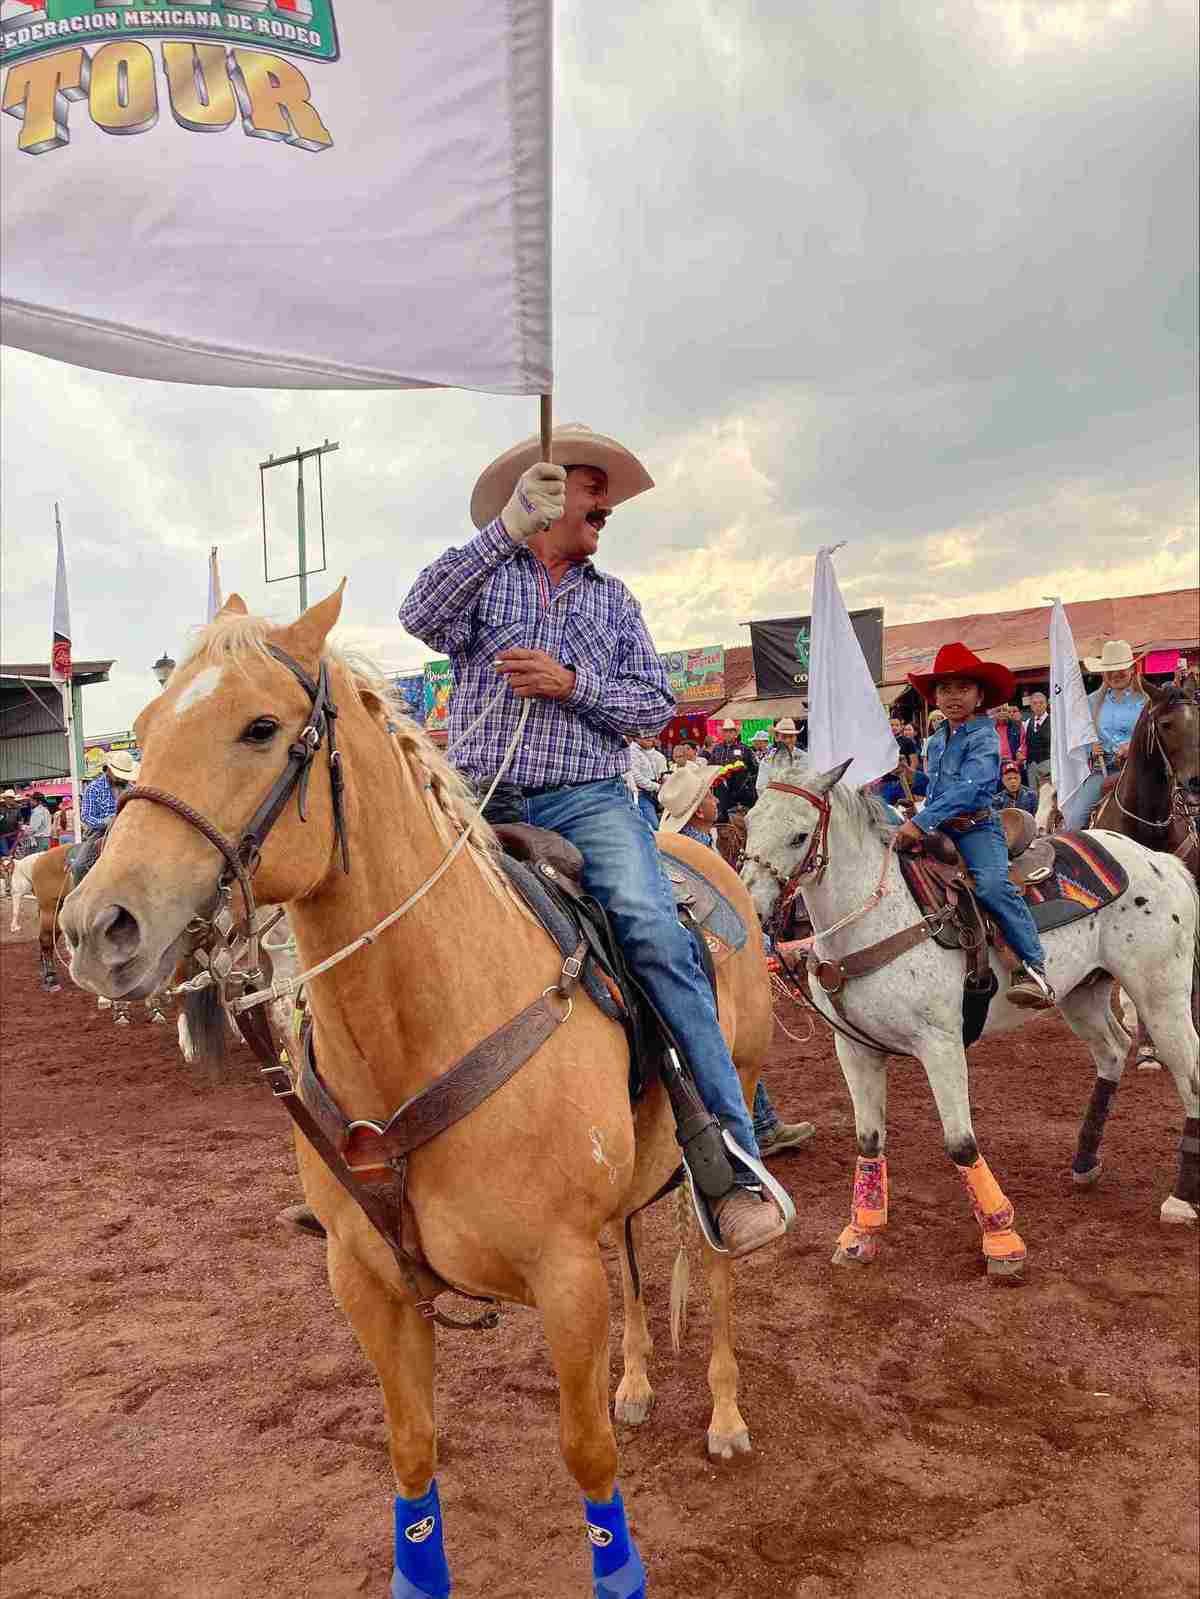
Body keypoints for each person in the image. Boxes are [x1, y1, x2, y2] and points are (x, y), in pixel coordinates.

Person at [398, 423, 788, 1257]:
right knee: (398, 922)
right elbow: (416, 613)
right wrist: (502, 531)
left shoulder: (614, 601)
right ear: (542, 494)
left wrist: (570, 685)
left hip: (587, 798)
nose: (605, 506)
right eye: (589, 490)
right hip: (481, 791)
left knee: (651, 929)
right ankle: (374, 1155)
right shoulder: (486, 579)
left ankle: (728, 1161)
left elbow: (653, 704)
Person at [658, 764, 816, 1158]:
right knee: (739, 1037)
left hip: (710, 952)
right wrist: (768, 948)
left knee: (737, 1042)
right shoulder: (698, 855)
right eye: (710, 795)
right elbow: (731, 919)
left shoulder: (696, 844)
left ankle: (760, 1123)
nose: (717, 799)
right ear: (698, 810)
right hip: (719, 958)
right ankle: (753, 1130)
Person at [897, 642, 1054, 1008]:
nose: (953, 697)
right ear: (935, 696)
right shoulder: (935, 740)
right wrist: (910, 777)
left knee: (993, 886)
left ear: (980, 695)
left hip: (977, 828)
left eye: (963, 688)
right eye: (945, 689)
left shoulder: (984, 735)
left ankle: (1034, 968)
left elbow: (972, 788)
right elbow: (938, 788)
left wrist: (920, 822)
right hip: (939, 826)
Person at [1061, 641, 1148, 832]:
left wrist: (1131, 746)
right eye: (1110, 670)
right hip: (1103, 770)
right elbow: (1081, 735)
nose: (1115, 674)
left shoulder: (1146, 701)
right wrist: (1090, 748)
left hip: (1139, 771)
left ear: (1132, 669)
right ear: (1103, 673)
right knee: (1074, 820)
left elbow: (1155, 735)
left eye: (1121, 669)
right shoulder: (1091, 702)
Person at [80, 750, 139, 836]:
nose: (120, 778)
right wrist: (107, 822)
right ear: (108, 770)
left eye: (123, 776)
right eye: (118, 775)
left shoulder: (132, 790)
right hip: (101, 834)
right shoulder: (94, 788)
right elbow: (86, 817)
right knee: (91, 848)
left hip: (128, 831)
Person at [628, 731, 667, 830]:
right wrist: (658, 787)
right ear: (635, 737)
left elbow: (664, 774)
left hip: (659, 795)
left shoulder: (658, 755)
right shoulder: (631, 751)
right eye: (644, 734)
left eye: (651, 733)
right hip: (641, 794)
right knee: (654, 828)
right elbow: (636, 776)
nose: (649, 736)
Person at [754, 717, 801, 794]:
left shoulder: (805, 758)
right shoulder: (767, 762)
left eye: (791, 736)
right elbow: (761, 788)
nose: (788, 740)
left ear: (796, 737)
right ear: (776, 738)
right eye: (784, 737)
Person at [1023, 691, 1052, 791]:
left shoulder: (1054, 721)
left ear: (1046, 704)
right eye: (1035, 703)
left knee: (1049, 795)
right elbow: (1024, 743)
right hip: (1031, 766)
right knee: (1034, 795)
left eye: (1041, 703)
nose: (1038, 705)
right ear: (1031, 705)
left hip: (1049, 764)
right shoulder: (1027, 723)